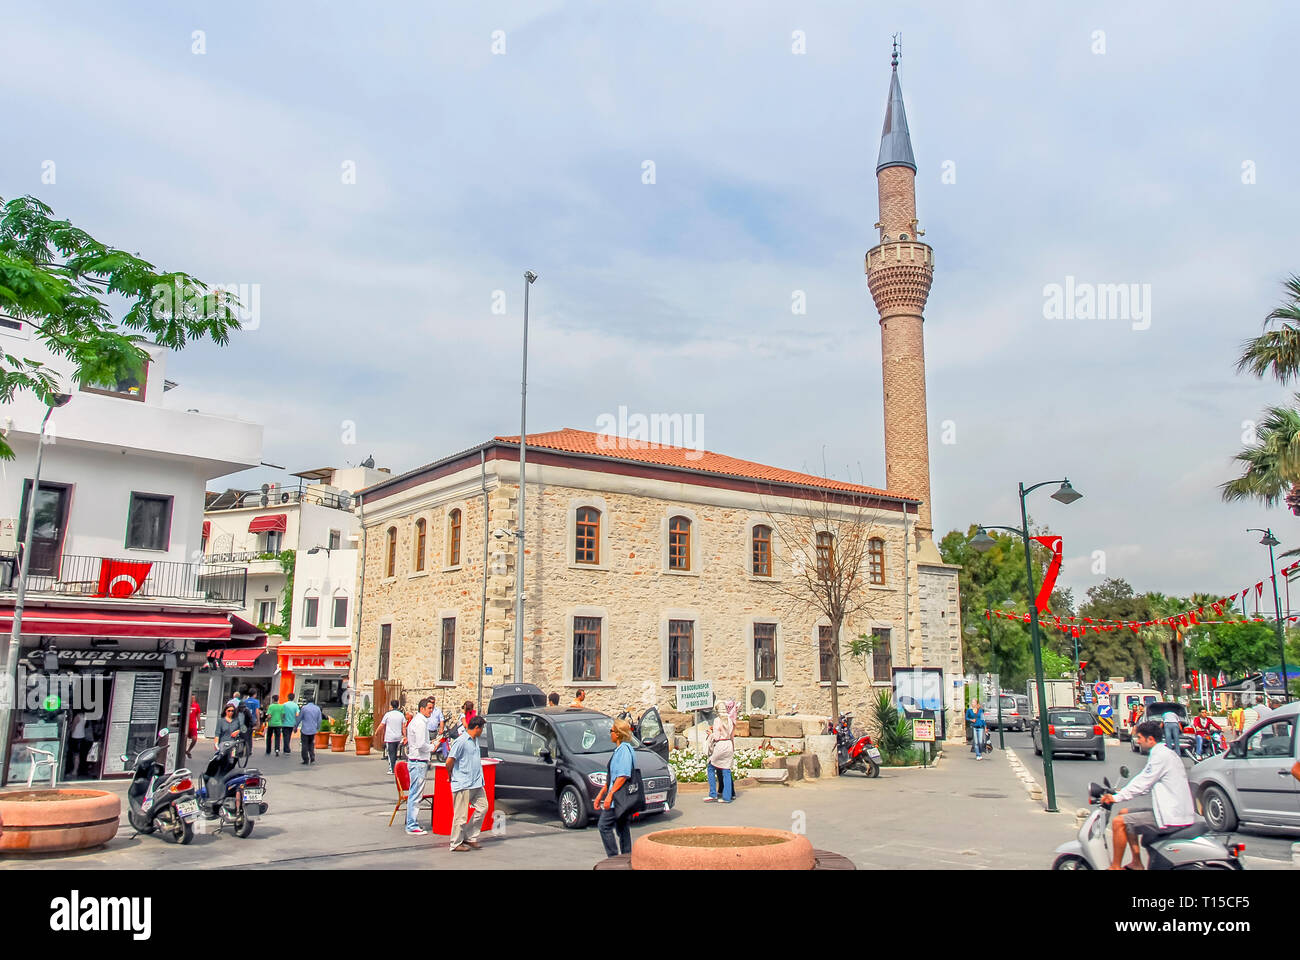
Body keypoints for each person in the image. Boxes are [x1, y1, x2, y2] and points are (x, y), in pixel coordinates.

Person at [1102, 720, 1195, 870]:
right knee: (1123, 813)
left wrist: (1116, 798)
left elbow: (1143, 782)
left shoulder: (1160, 756)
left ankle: (1115, 867)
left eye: (1139, 738)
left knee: (1118, 822)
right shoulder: (1165, 753)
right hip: (1174, 810)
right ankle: (1136, 862)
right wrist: (1122, 791)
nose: (1137, 741)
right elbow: (1145, 782)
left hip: (1170, 816)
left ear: (1150, 739)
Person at [594, 718, 638, 857]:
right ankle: (627, 856)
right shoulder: (620, 750)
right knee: (622, 827)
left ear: (618, 734)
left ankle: (613, 857)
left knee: (604, 826)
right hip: (618, 797)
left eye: (611, 731)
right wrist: (600, 795)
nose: (610, 734)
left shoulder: (624, 750)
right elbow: (612, 777)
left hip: (618, 799)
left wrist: (609, 796)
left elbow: (622, 776)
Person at [446, 715, 489, 851]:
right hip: (463, 783)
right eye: (481, 728)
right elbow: (450, 761)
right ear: (477, 728)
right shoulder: (461, 741)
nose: (482, 731)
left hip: (477, 782)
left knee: (483, 808)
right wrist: (451, 775)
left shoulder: (475, 740)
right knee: (460, 815)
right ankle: (456, 842)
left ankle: (470, 836)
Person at [404, 697, 436, 836]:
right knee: (416, 794)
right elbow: (421, 745)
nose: (431, 710)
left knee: (414, 793)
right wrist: (433, 747)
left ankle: (411, 821)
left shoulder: (416, 722)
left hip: (416, 761)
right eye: (429, 708)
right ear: (422, 709)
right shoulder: (421, 723)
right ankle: (411, 825)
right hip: (418, 762)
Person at [705, 699, 737, 802]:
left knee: (711, 766)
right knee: (726, 770)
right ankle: (727, 797)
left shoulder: (717, 720)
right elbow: (732, 736)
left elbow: (717, 737)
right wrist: (733, 747)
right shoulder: (731, 720)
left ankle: (713, 793)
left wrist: (710, 734)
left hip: (720, 745)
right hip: (729, 744)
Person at [380, 699, 406, 774]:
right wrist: (405, 736)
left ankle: (392, 769)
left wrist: (377, 732)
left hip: (390, 737)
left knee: (391, 753)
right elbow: (403, 726)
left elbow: (382, 725)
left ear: (391, 706)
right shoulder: (401, 715)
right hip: (398, 737)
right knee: (394, 753)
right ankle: (394, 767)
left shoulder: (388, 715)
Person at [296, 697, 323, 765]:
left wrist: (296, 726)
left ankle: (305, 759)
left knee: (304, 744)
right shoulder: (317, 708)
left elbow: (299, 718)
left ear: (307, 701)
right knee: (311, 744)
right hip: (313, 729)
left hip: (305, 729)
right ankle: (312, 758)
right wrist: (318, 727)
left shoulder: (304, 708)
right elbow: (319, 720)